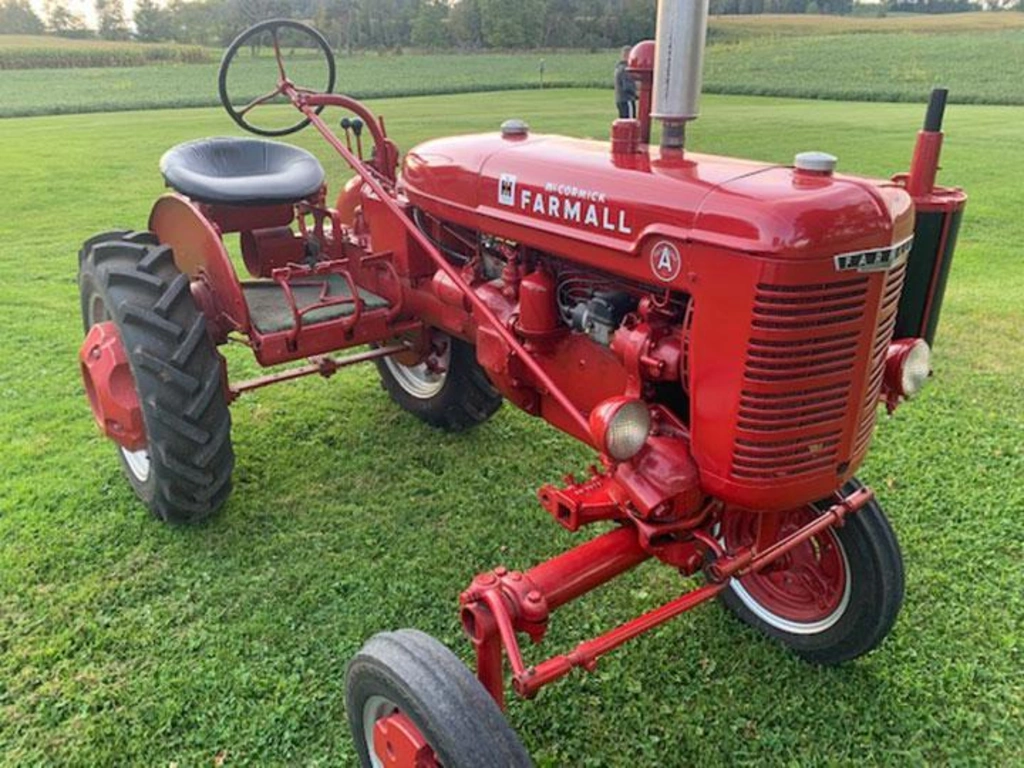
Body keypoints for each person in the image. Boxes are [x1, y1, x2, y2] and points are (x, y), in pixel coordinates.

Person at [614, 46, 637, 119]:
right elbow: (627, 87)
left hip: (620, 100)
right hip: (627, 100)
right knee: (630, 121)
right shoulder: (625, 69)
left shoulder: (618, 68)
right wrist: (637, 94)